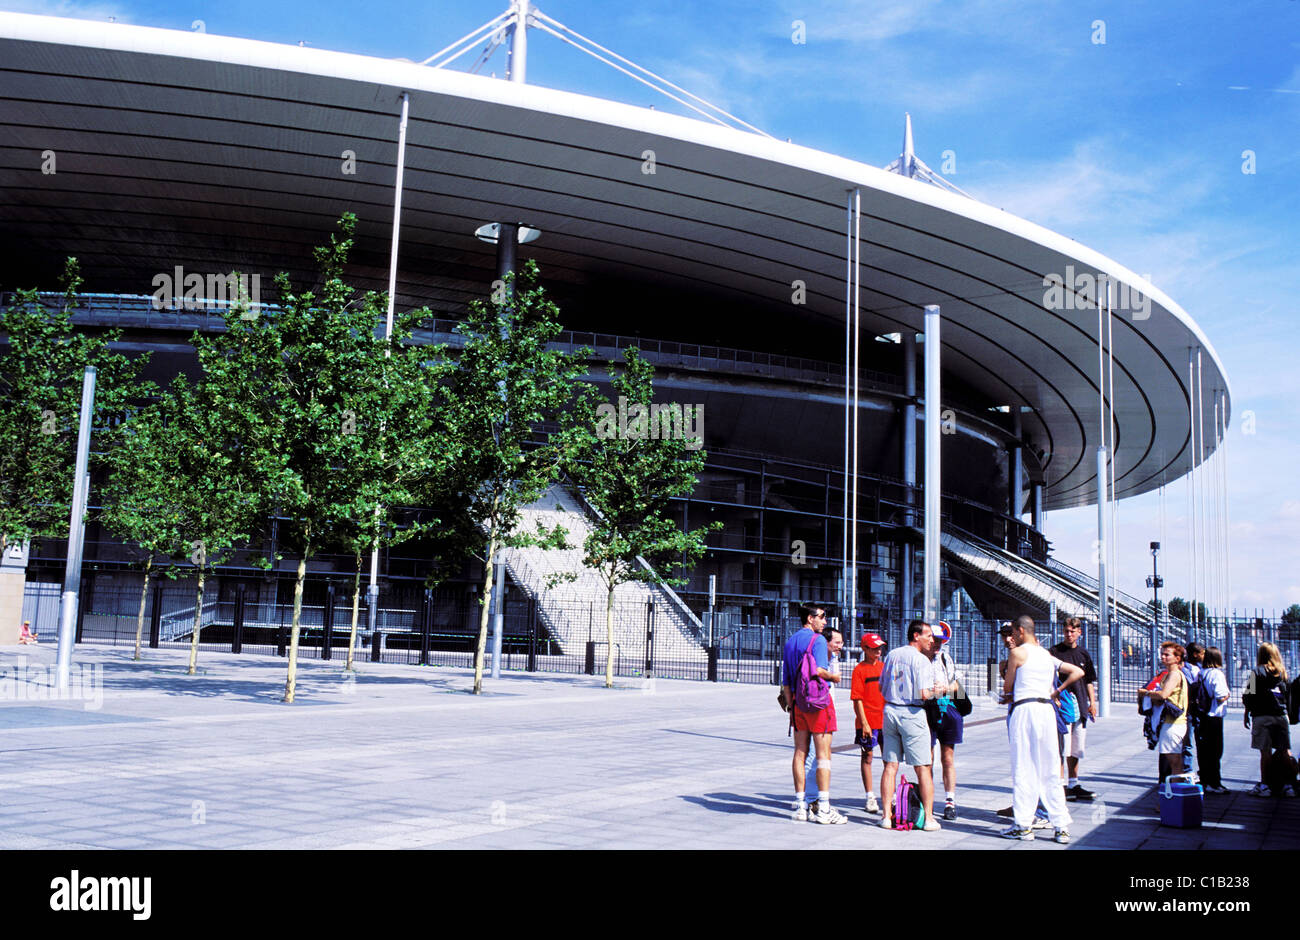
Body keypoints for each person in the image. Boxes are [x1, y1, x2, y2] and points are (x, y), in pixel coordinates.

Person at [1000, 615, 1084, 843]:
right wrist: (1056, 691)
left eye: (1013, 633)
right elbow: (1078, 672)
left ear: (1020, 631)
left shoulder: (1017, 653)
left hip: (1024, 710)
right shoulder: (1047, 655)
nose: (1012, 638)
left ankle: (1023, 825)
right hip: (1047, 710)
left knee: (1024, 766)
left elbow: (1008, 687)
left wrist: (1006, 694)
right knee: (1050, 768)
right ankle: (1061, 826)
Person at [780, 605, 848, 824]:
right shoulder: (817, 640)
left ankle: (801, 806)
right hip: (819, 704)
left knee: (799, 753)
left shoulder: (791, 641)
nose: (825, 621)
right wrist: (834, 677)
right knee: (823, 755)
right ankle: (824, 808)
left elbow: (787, 681)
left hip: (799, 705)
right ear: (810, 619)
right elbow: (819, 670)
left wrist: (792, 707)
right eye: (822, 617)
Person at [878, 620, 944, 832]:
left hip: (890, 710)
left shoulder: (892, 655)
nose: (931, 640)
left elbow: (882, 686)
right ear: (916, 636)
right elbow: (924, 694)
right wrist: (940, 690)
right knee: (923, 766)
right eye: (928, 636)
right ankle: (929, 818)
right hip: (912, 712)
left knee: (890, 765)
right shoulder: (921, 660)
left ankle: (886, 816)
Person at [1048, 617, 1098, 801]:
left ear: (1079, 633)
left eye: (1073, 631)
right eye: (1066, 631)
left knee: (1076, 748)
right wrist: (1054, 695)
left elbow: (1089, 681)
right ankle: (1060, 785)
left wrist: (1092, 703)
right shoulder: (1054, 651)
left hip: (1080, 707)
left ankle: (1073, 783)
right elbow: (1049, 677)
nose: (1069, 635)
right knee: (1062, 747)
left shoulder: (1084, 654)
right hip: (1062, 708)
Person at [1242, 642, 1293, 798]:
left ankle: (1265, 785)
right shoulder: (1283, 673)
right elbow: (1288, 695)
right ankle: (1289, 785)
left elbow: (1248, 695)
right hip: (1280, 715)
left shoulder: (1256, 672)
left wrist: (1247, 712)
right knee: (1284, 751)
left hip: (1261, 715)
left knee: (1265, 753)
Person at [926, 621, 962, 820]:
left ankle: (950, 801)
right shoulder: (921, 659)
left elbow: (956, 685)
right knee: (927, 758)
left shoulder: (946, 658)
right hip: (926, 710)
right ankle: (927, 797)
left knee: (947, 758)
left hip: (946, 709)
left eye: (941, 640)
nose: (938, 644)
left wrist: (944, 689)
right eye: (935, 640)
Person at [1138, 642, 1189, 784]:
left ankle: (1173, 797)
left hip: (1172, 723)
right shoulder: (1169, 674)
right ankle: (1174, 797)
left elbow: (1163, 695)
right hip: (1169, 722)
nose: (1163, 657)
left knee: (1174, 761)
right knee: (1173, 760)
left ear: (1177, 658)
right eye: (1162, 654)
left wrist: (1146, 693)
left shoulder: (1174, 675)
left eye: (1167, 654)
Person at [851, 632, 887, 814]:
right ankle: (870, 796)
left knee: (889, 759)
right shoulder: (859, 670)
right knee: (867, 757)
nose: (878, 650)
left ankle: (890, 795)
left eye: (879, 647)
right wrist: (864, 723)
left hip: (885, 720)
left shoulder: (885, 667)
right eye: (874, 648)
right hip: (868, 721)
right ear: (864, 649)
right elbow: (857, 699)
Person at [1194, 646, 1230, 793]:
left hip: (1202, 715)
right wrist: (1228, 694)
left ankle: (1205, 779)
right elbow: (1220, 696)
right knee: (1216, 752)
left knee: (1204, 751)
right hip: (1214, 716)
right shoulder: (1217, 674)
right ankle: (1215, 783)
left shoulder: (1201, 673)